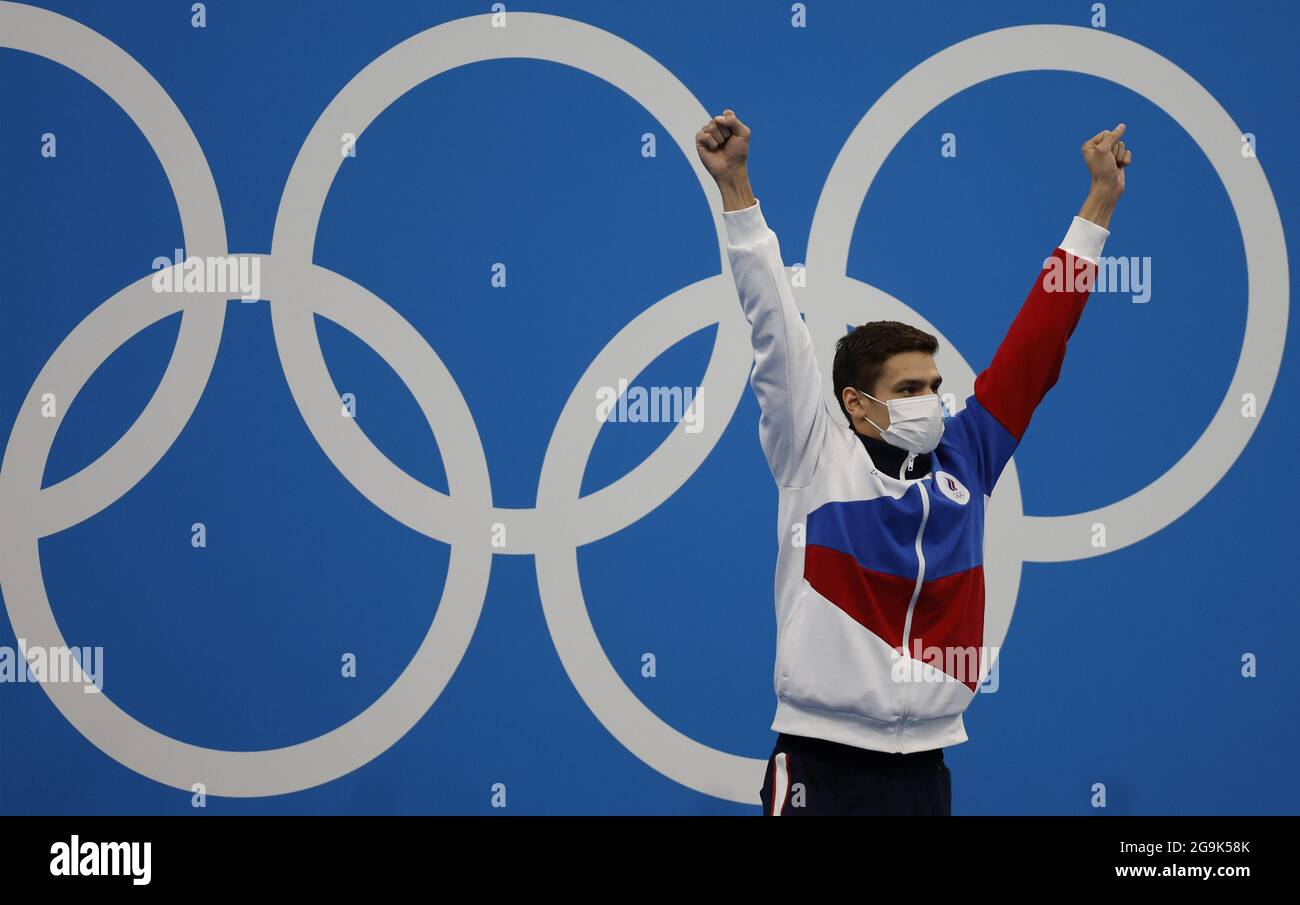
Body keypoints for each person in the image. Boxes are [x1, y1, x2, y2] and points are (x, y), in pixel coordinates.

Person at [694, 109, 1131, 815]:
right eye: (908, 390)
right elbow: (774, 324)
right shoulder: (813, 451)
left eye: (934, 386)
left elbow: (1039, 341)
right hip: (818, 763)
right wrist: (737, 190)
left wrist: (1099, 203)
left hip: (926, 771)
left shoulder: (970, 452)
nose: (931, 400)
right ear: (857, 403)